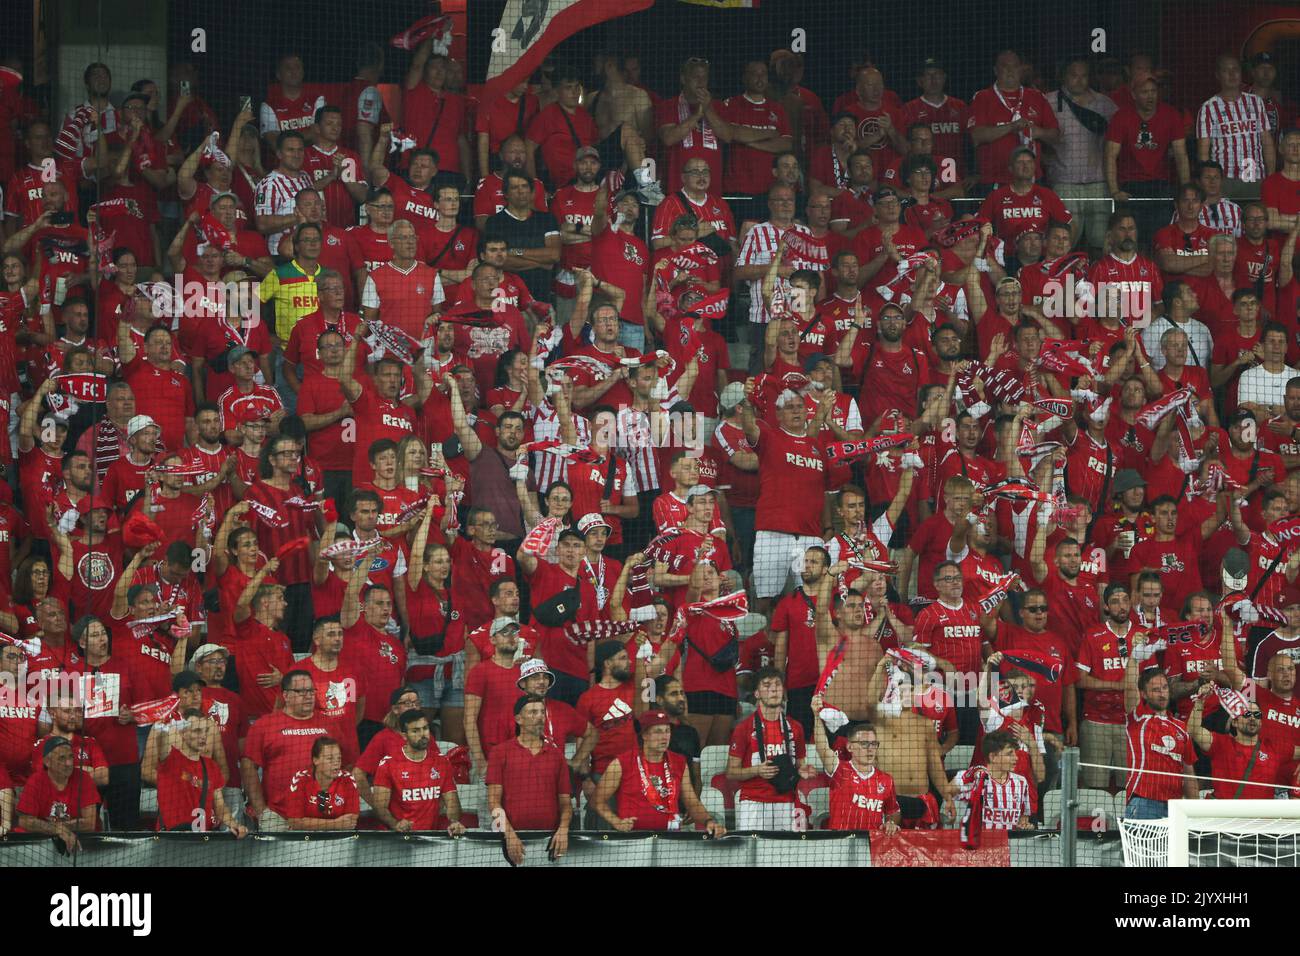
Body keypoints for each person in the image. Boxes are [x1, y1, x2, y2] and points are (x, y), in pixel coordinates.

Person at [240, 670, 346, 831]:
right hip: (279, 817)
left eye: (311, 690)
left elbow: (345, 765)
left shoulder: (329, 724)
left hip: (323, 815)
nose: (308, 696)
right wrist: (262, 811)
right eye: (301, 691)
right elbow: (248, 768)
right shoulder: (264, 725)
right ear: (286, 695)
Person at [591, 709, 724, 834]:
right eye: (658, 732)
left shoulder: (679, 762)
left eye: (667, 731)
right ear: (644, 735)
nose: (664, 737)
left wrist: (709, 821)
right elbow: (597, 801)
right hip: (634, 839)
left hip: (670, 839)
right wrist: (617, 823)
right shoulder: (621, 763)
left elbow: (691, 802)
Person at [726, 667, 818, 830]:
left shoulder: (795, 727)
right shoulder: (744, 728)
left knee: (785, 854)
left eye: (777, 684)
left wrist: (802, 772)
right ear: (756, 694)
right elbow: (732, 772)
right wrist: (757, 771)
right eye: (767, 685)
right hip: (753, 801)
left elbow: (798, 766)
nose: (774, 689)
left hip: (786, 801)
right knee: (752, 854)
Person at [486, 695, 573, 865]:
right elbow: (493, 802)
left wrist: (564, 829)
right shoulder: (500, 752)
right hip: (512, 841)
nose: (540, 716)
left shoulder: (557, 756)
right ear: (519, 719)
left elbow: (566, 803)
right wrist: (509, 835)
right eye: (533, 712)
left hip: (550, 843)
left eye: (542, 712)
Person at [1121, 635, 1198, 819]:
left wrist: (1196, 812)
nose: (1162, 693)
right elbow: (1130, 688)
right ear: (1144, 695)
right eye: (1156, 690)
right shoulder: (1139, 718)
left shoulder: (1180, 728)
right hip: (1144, 803)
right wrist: (1134, 658)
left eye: (1164, 688)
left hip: (1175, 807)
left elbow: (1189, 774)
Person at [144, 709, 246, 836]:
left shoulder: (211, 766)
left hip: (201, 841)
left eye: (205, 731)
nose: (203, 736)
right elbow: (163, 740)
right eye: (197, 731)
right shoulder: (171, 759)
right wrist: (165, 718)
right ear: (183, 733)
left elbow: (220, 807)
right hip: (170, 840)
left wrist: (234, 824)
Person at [809, 696, 901, 832]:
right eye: (864, 744)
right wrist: (817, 716)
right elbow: (822, 747)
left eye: (873, 744)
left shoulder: (886, 780)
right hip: (840, 843)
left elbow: (893, 810)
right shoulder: (839, 770)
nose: (870, 748)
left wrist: (891, 822)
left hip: (870, 845)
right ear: (850, 747)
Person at [371, 710, 466, 834]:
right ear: (404, 735)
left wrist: (454, 821)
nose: (423, 734)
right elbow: (379, 808)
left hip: (430, 838)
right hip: (399, 839)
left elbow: (452, 802)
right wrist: (396, 824)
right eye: (415, 731)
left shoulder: (442, 761)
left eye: (425, 728)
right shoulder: (388, 764)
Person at [1196, 54, 1274, 199]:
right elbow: (1203, 152)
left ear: (1241, 73)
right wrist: (1207, 183)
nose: (1232, 74)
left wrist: (1271, 177)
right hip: (1224, 180)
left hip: (1256, 177)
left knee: (1255, 219)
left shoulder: (1256, 102)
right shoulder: (1208, 107)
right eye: (1226, 70)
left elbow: (1267, 142)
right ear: (1218, 75)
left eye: (1235, 69)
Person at [1187, 691, 1284, 799]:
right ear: (1235, 722)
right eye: (1247, 714)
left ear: (1261, 722)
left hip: (1260, 815)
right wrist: (1200, 702)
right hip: (1225, 814)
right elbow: (1193, 730)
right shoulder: (1220, 743)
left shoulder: (1272, 748)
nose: (1252, 718)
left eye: (1257, 715)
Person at [464, 618, 526, 780]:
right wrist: (480, 761)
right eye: (504, 632)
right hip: (491, 757)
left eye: (514, 632)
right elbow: (469, 719)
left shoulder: (524, 673)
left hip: (521, 757)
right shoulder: (480, 671)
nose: (511, 637)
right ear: (492, 639)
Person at [15, 736, 100, 850]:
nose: (69, 763)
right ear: (47, 762)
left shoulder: (83, 778)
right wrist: (56, 829)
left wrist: (60, 828)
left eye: (71, 757)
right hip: (40, 845)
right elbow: (24, 821)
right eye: (61, 758)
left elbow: (89, 823)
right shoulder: (36, 781)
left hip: (77, 843)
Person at [948, 729, 1035, 832]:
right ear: (993, 757)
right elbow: (947, 790)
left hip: (1009, 844)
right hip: (979, 844)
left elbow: (1023, 818)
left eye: (1015, 753)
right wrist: (950, 800)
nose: (1016, 758)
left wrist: (1025, 826)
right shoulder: (977, 775)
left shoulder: (1021, 782)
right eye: (1009, 754)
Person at [284, 737, 361, 830]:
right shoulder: (300, 780)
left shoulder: (348, 779)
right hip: (304, 839)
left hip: (338, 839)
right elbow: (295, 822)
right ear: (315, 760)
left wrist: (310, 823)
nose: (336, 763)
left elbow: (350, 821)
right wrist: (335, 824)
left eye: (339, 758)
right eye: (330, 758)